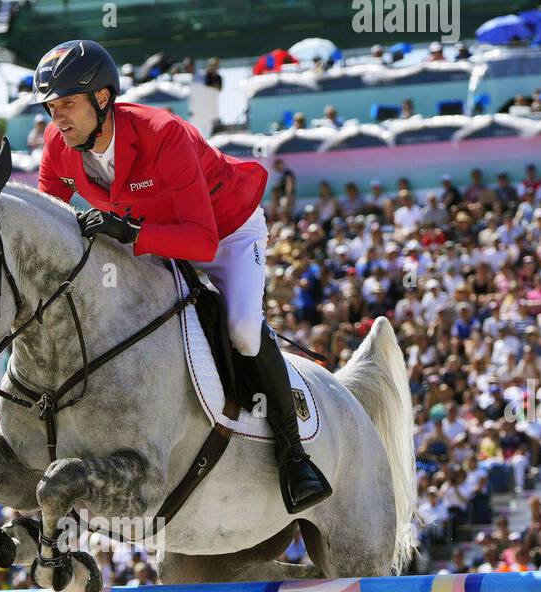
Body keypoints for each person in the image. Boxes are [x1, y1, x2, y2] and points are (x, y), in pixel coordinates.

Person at [33, 38, 331, 513]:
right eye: (52, 108)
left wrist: (129, 232)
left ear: (103, 98)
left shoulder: (163, 133)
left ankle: (296, 456)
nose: (58, 118)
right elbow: (50, 220)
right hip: (151, 236)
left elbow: (201, 242)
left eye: (67, 104)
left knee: (243, 332)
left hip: (227, 231)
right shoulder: (59, 145)